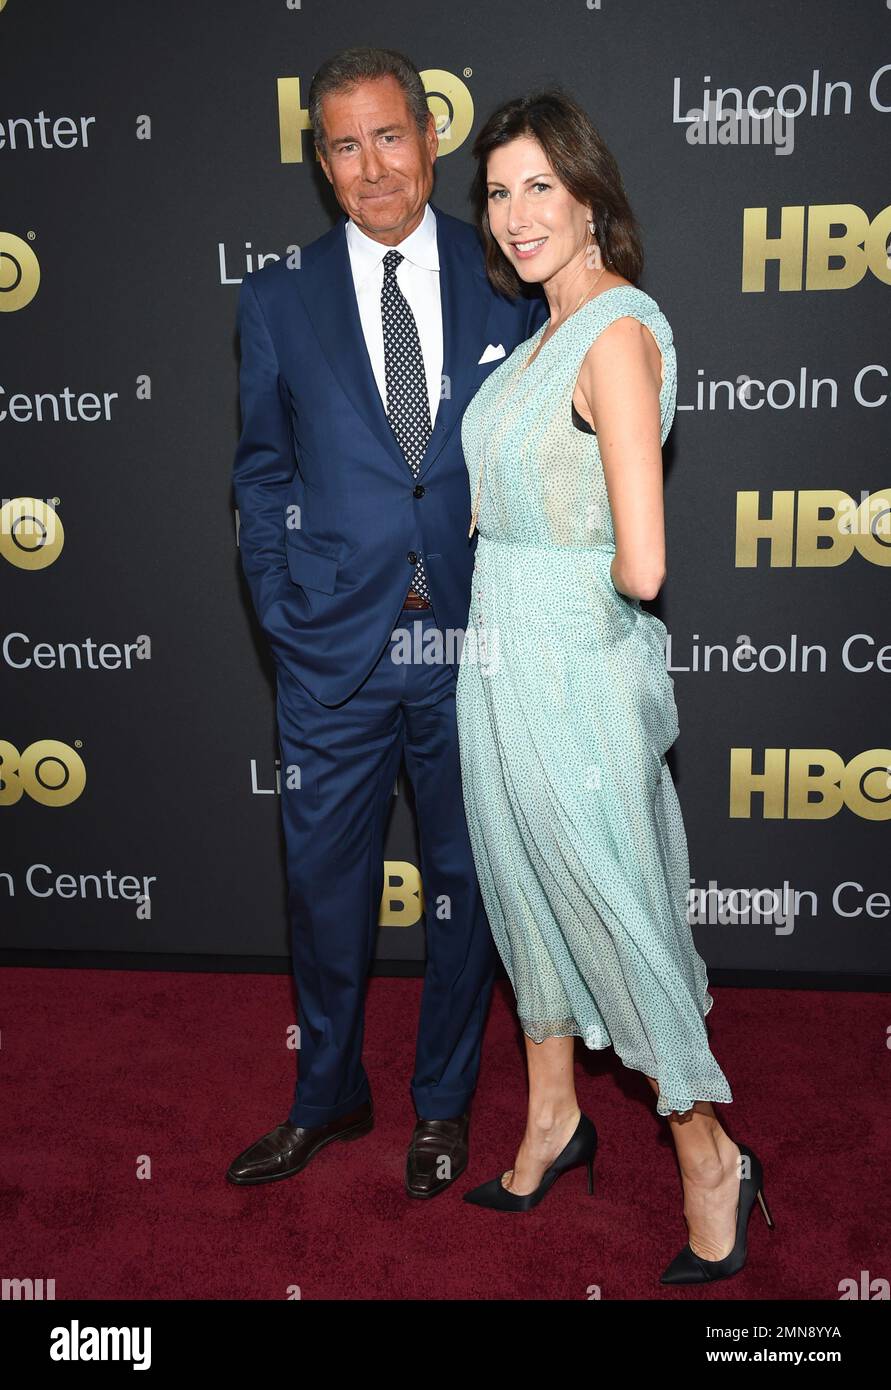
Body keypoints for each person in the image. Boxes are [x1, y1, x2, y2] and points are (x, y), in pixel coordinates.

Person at [454, 89, 774, 1284]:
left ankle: (708, 1149)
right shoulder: (536, 335)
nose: (517, 212)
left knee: (611, 909)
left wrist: (549, 573)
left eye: (540, 184)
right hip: (499, 658)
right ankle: (552, 1115)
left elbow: (642, 560)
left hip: (569, 664)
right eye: (497, 191)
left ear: (590, 195)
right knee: (525, 896)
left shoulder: (615, 332)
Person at [226, 47, 548, 1199]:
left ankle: (443, 1104)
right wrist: (282, 611)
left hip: (468, 648)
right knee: (323, 892)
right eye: (344, 145)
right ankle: (328, 1096)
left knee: (464, 889)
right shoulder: (275, 298)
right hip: (334, 655)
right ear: (321, 162)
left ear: (429, 135)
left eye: (389, 136)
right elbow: (262, 475)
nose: (371, 166)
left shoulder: (505, 274)